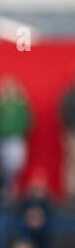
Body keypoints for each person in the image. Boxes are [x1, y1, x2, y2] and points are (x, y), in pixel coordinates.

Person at [0, 76, 32, 191]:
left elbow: (27, 119)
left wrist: (24, 130)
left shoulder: (20, 104)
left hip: (16, 137)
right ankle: (4, 187)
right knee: (1, 165)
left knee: (17, 163)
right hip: (1, 138)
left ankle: (11, 185)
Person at [57, 71, 75, 201]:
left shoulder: (66, 95)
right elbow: (64, 116)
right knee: (71, 164)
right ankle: (70, 195)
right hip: (71, 133)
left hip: (68, 133)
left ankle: (70, 194)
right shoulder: (69, 97)